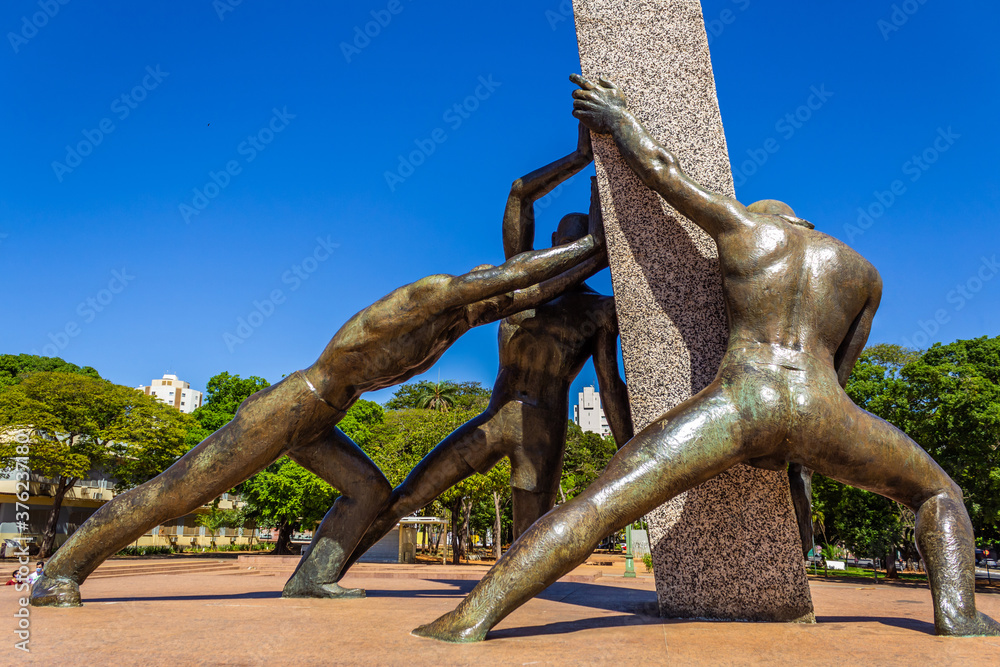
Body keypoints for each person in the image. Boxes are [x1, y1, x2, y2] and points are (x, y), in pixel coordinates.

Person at [411, 74, 1000, 641]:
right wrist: (796, 449)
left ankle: (469, 618)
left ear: (769, 218)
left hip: (743, 399)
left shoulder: (748, 229)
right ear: (807, 225)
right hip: (824, 408)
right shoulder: (864, 273)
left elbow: (665, 174)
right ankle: (957, 616)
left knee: (603, 503)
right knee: (940, 492)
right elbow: (841, 373)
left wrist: (619, 120)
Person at [32, 215, 607, 608]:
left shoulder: (460, 322)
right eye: (502, 296)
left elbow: (530, 289)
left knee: (372, 493)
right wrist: (598, 243)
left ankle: (312, 577)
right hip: (290, 408)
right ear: (479, 288)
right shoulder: (431, 296)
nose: (513, 304)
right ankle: (60, 570)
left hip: (321, 421)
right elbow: (520, 274)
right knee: (177, 492)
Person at [326, 127, 633, 586]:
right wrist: (581, 157)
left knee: (528, 543)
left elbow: (610, 388)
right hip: (496, 419)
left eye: (580, 243)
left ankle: (507, 620)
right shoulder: (520, 288)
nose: (567, 254)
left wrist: (631, 452)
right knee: (411, 492)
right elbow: (520, 194)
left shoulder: (597, 311)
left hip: (541, 434)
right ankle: (325, 568)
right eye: (561, 246)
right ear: (548, 244)